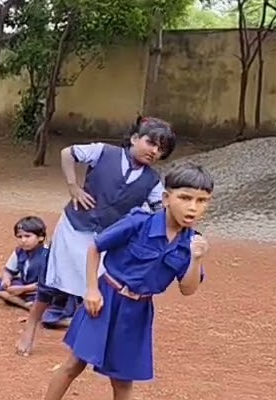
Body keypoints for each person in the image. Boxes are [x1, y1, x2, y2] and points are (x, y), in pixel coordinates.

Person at [31, 163, 211, 400]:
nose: (193, 207)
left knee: (124, 379)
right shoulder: (140, 223)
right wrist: (91, 289)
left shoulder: (190, 243)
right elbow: (95, 248)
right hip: (106, 299)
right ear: (166, 198)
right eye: (185, 198)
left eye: (202, 201)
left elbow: (188, 288)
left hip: (138, 312)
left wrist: (195, 259)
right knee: (74, 364)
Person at [15, 116, 176, 355]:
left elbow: (161, 212)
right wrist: (73, 186)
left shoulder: (152, 182)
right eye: (150, 143)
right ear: (134, 139)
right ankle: (30, 327)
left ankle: (84, 344)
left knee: (98, 289)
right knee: (50, 282)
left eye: (161, 149)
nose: (154, 151)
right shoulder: (103, 152)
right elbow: (68, 153)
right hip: (74, 227)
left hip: (106, 240)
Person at [0, 216, 49, 309]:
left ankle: (12, 300)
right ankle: (24, 304)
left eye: (27, 236)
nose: (23, 240)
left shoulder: (48, 254)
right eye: (20, 237)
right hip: (22, 284)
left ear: (41, 237)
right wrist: (6, 280)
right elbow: (9, 270)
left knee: (48, 295)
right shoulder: (19, 251)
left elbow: (49, 283)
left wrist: (23, 289)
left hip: (37, 289)